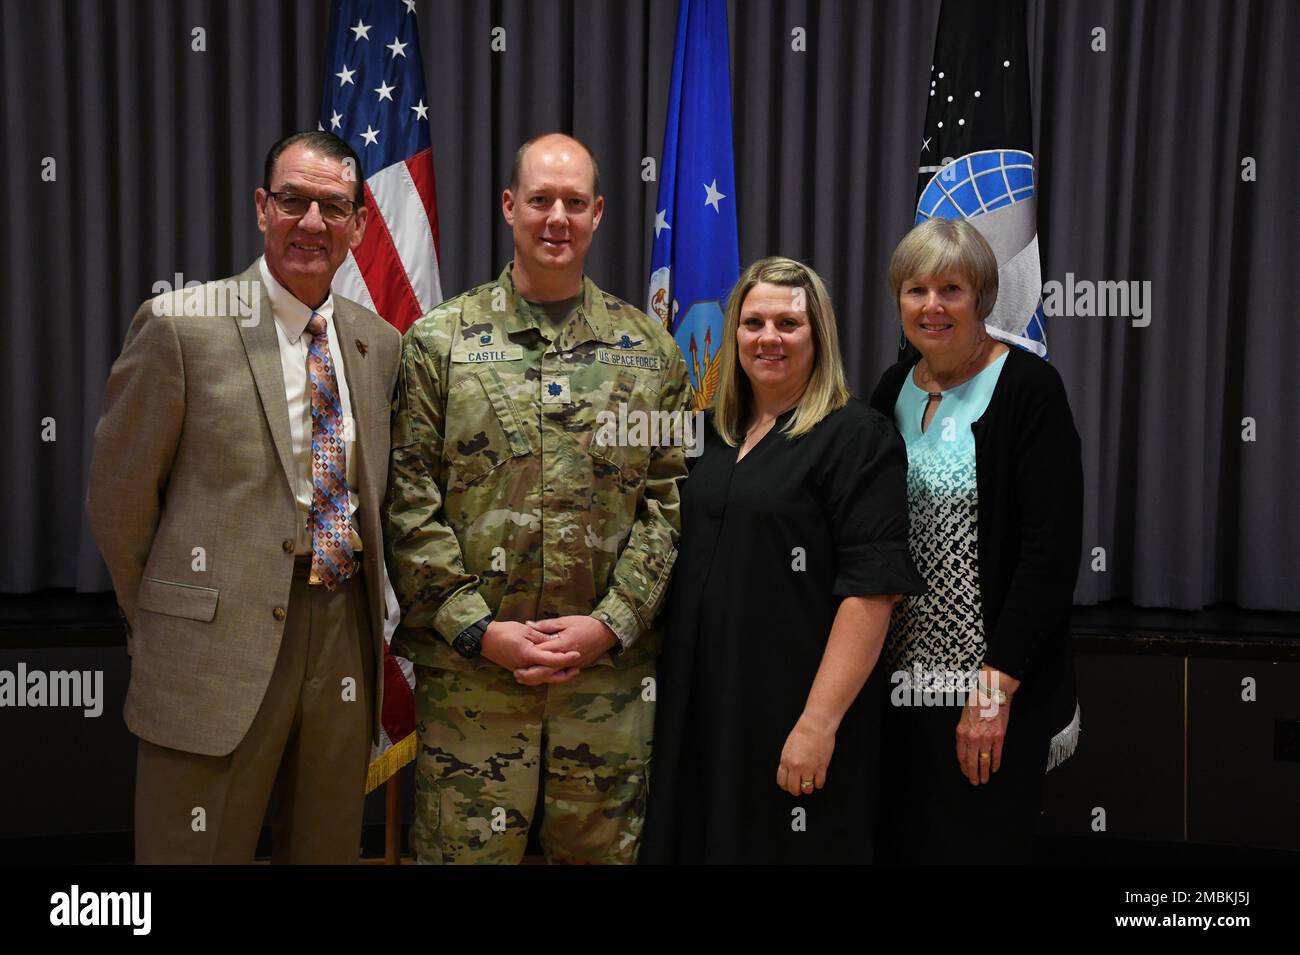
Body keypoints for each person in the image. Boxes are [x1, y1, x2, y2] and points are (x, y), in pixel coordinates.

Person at [87, 131, 401, 863]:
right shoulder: (179, 325)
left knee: (324, 849)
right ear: (263, 208)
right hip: (211, 646)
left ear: (358, 225)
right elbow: (119, 498)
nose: (312, 222)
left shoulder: (378, 344)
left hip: (341, 636)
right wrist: (170, 615)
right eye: (293, 200)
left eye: (333, 206)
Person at [385, 133, 693, 864]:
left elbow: (672, 501)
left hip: (606, 690)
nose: (557, 217)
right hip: (473, 688)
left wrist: (611, 623)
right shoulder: (438, 343)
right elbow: (408, 504)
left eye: (574, 202)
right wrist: (477, 630)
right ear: (508, 206)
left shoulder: (653, 351)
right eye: (541, 199)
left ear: (598, 214)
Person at [640, 257, 926, 864]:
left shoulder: (857, 437)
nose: (768, 338)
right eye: (753, 322)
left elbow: (871, 595)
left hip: (793, 714)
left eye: (788, 324)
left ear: (818, 335)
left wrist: (817, 726)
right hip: (701, 711)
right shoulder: (706, 436)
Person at [869, 217, 1083, 864]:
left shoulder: (1030, 391)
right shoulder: (891, 389)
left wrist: (993, 690)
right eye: (916, 289)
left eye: (951, 289)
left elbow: (1050, 554)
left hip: (988, 691)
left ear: (982, 298)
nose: (931, 306)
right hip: (900, 688)